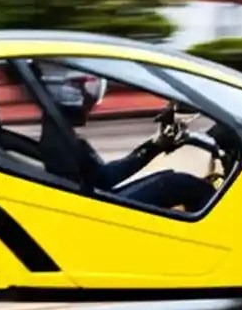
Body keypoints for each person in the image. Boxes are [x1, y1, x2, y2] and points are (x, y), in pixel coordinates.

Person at [35, 63, 216, 214]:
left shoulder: (60, 136)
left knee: (169, 178)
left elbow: (104, 178)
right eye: (89, 90)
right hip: (95, 215)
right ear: (69, 94)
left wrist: (155, 145)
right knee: (180, 185)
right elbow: (102, 182)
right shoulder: (58, 144)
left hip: (93, 205)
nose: (90, 101)